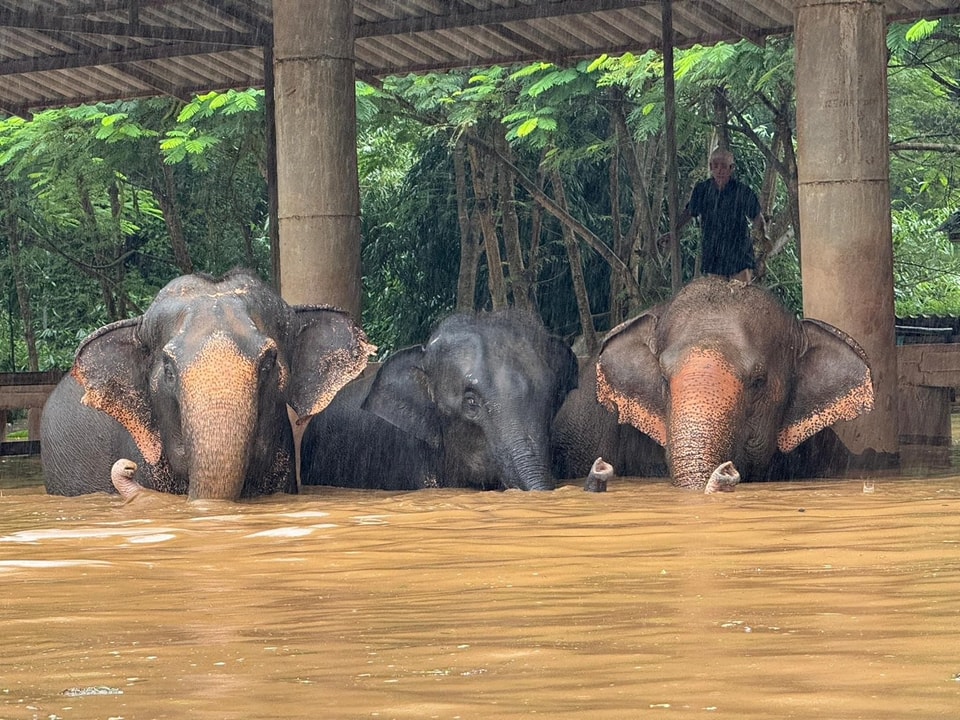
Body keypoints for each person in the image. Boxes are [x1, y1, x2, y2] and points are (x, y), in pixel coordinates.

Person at [672, 148, 769, 283]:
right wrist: (673, 231)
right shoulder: (702, 190)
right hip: (714, 254)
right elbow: (689, 212)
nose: (719, 170)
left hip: (739, 254)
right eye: (715, 165)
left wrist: (763, 238)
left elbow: (757, 217)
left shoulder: (742, 191)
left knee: (741, 293)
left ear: (731, 168)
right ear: (710, 167)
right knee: (717, 294)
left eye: (724, 166)